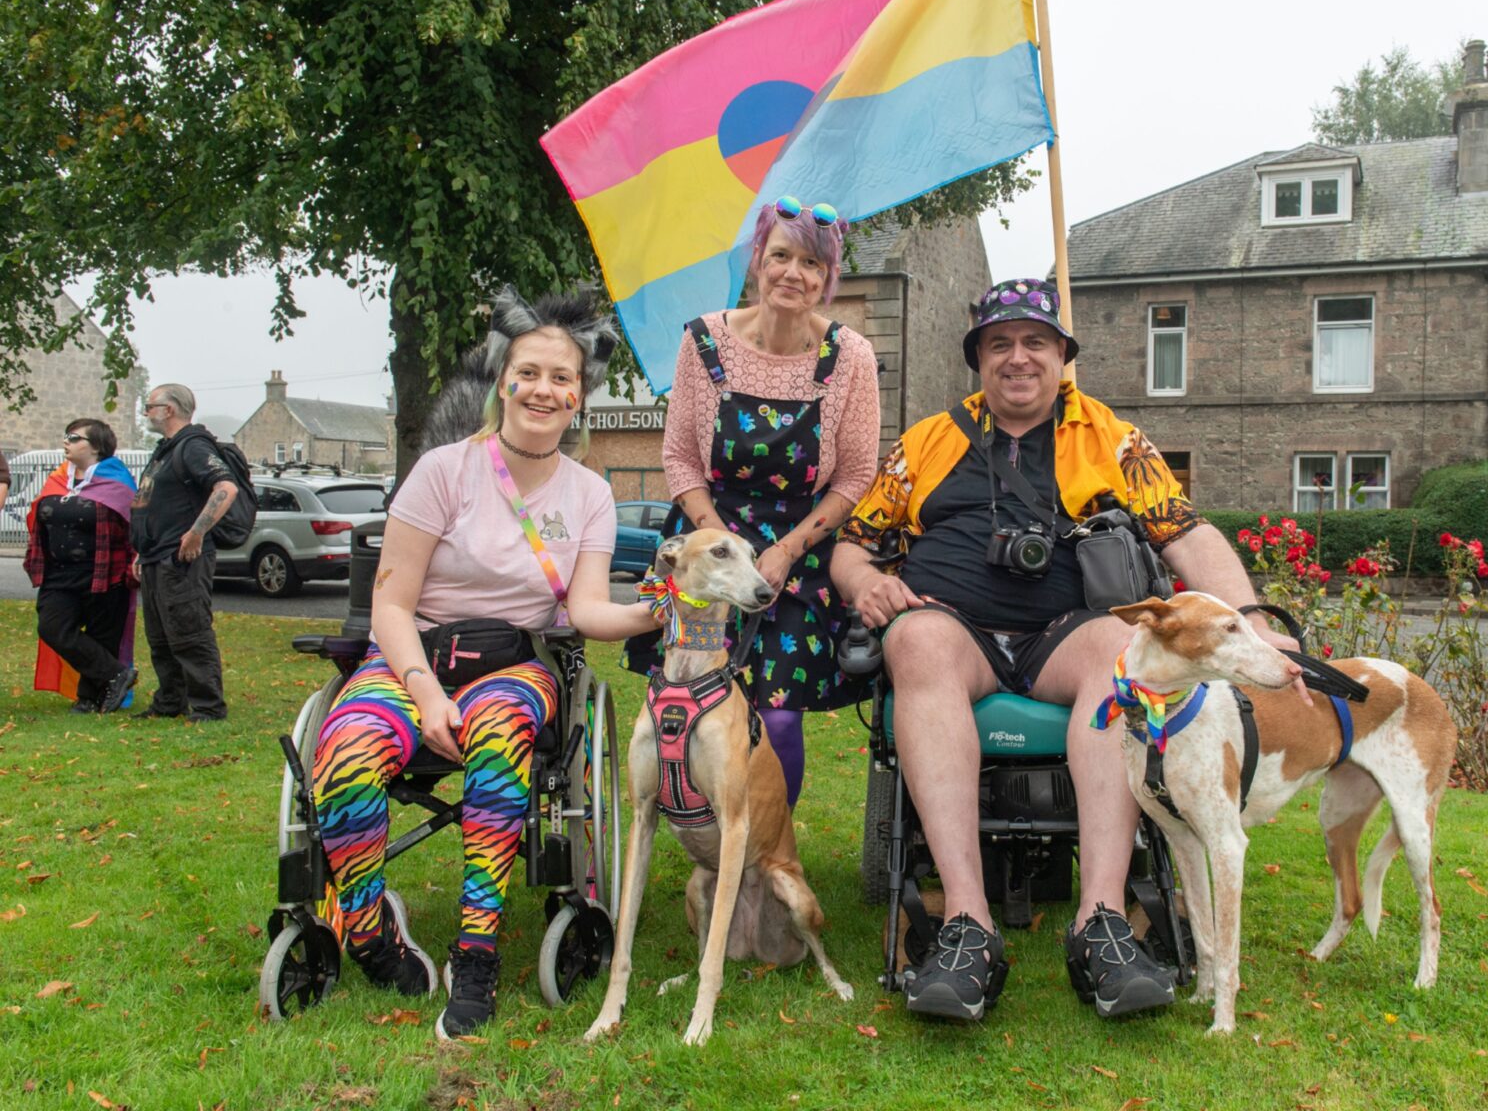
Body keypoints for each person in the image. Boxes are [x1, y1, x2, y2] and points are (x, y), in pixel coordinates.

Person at [831, 277, 1306, 1023]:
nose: (1017, 358)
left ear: (1061, 355)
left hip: (1069, 631)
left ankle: (1102, 921)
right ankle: (966, 924)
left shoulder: (1111, 438)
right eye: (1000, 345)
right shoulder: (926, 441)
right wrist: (865, 583)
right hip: (955, 628)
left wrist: (1247, 615)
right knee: (914, 641)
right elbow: (854, 546)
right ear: (979, 360)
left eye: (1035, 343)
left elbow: (1186, 532)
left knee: (1126, 647)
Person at [311, 287, 657, 1040]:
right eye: (530, 372)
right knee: (344, 756)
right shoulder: (444, 470)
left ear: (579, 396)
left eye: (562, 379)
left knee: (500, 746)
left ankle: (476, 954)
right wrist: (428, 696)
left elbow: (588, 610)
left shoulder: (591, 494)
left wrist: (654, 610)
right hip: (415, 656)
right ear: (503, 379)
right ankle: (370, 934)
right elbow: (391, 605)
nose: (544, 389)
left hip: (515, 663)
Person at [624, 197, 881, 807]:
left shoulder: (850, 358)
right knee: (694, 706)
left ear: (827, 278)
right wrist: (723, 550)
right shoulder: (704, 342)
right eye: (780, 257)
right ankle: (706, 843)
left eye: (811, 264)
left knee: (780, 716)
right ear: (757, 264)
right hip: (709, 540)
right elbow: (681, 458)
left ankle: (769, 852)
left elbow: (857, 474)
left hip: (799, 546)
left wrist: (787, 551)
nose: (794, 274)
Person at [129, 384, 238, 722]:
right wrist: (141, 550)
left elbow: (226, 487)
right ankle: (170, 701)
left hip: (182, 559)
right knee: (160, 635)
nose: (146, 412)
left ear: (170, 409)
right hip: (154, 555)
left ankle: (207, 707)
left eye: (150, 406)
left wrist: (197, 531)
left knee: (189, 631)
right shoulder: (166, 449)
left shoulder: (192, 446)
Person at [24, 420, 139, 713]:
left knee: (104, 634)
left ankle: (89, 698)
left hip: (105, 571)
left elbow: (136, 525)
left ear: (96, 446)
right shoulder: (58, 480)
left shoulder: (118, 481)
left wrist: (138, 556)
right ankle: (115, 673)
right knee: (53, 627)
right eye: (66, 436)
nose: (67, 442)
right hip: (59, 573)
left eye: (75, 438)